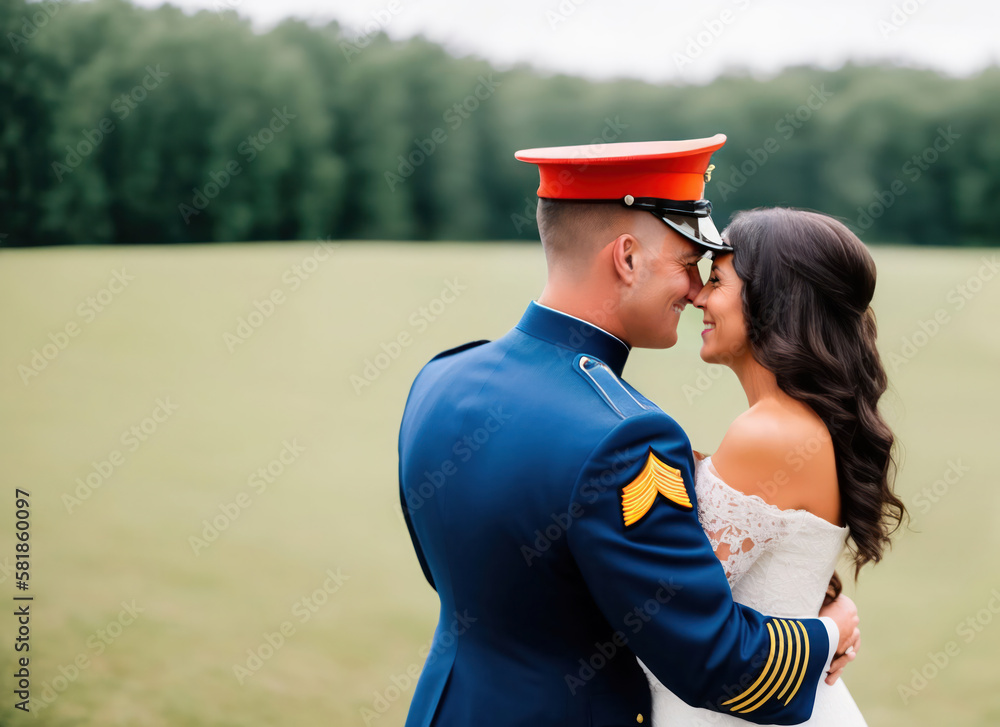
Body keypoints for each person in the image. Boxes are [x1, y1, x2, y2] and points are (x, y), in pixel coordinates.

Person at [397, 137, 861, 727]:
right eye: (687, 265)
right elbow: (713, 658)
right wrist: (827, 632)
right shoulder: (626, 437)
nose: (696, 291)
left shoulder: (439, 378)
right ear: (627, 259)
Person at [643, 207, 906, 726]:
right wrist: (831, 613)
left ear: (774, 302)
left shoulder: (769, 433)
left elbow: (674, 612)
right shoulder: (803, 424)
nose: (697, 295)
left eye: (716, 279)